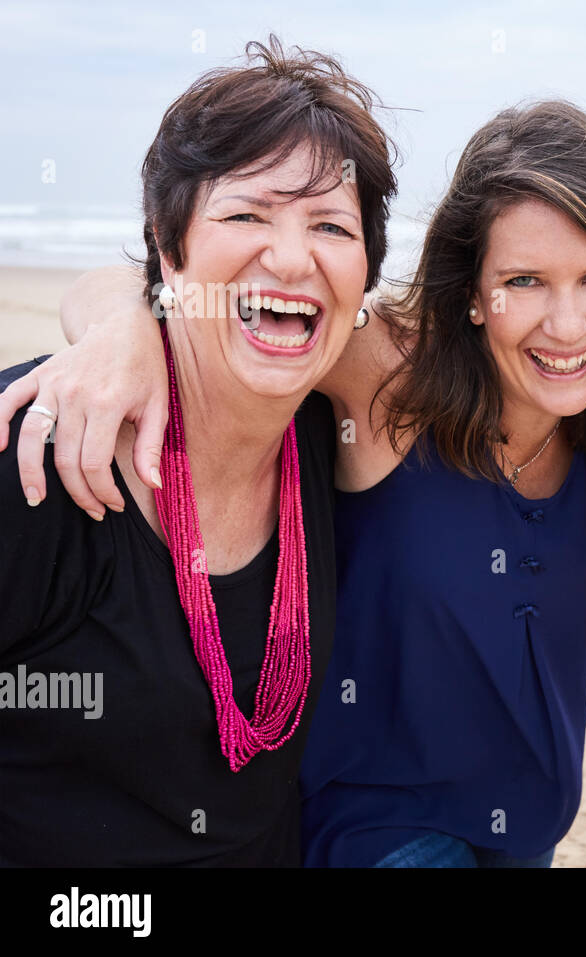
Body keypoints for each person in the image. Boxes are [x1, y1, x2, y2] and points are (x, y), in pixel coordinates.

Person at [2, 100, 586, 867]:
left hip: (530, 834)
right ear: (468, 290)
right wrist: (118, 331)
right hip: (380, 837)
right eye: (522, 280)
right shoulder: (389, 378)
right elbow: (172, 285)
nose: (566, 324)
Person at [0, 37, 398, 865]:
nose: (291, 258)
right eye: (247, 214)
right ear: (169, 243)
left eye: (330, 224)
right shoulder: (35, 445)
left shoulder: (332, 439)